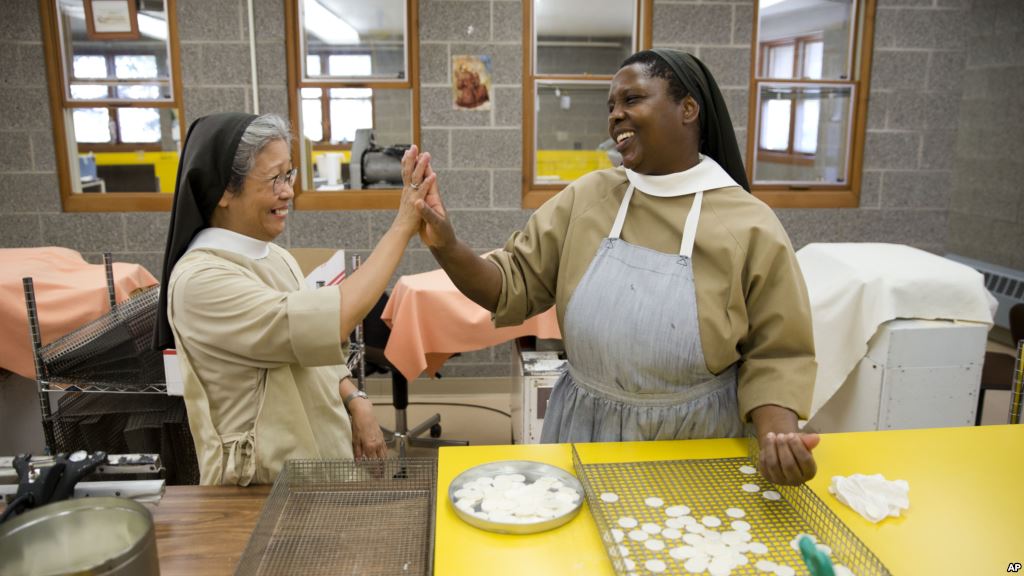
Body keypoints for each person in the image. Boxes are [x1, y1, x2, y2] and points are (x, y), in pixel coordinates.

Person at [415, 50, 820, 485]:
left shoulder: (748, 224)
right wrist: (448, 245)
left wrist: (778, 438)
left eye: (632, 100)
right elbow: (511, 283)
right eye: (611, 106)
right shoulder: (590, 197)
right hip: (585, 427)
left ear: (688, 109)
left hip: (695, 441)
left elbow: (777, 353)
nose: (615, 116)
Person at [154, 113, 435, 485]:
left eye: (289, 175)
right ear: (224, 190)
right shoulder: (201, 282)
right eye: (275, 178)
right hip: (262, 488)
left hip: (318, 463)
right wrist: (403, 224)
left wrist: (354, 399)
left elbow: (310, 352)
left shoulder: (275, 256)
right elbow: (329, 321)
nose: (288, 191)